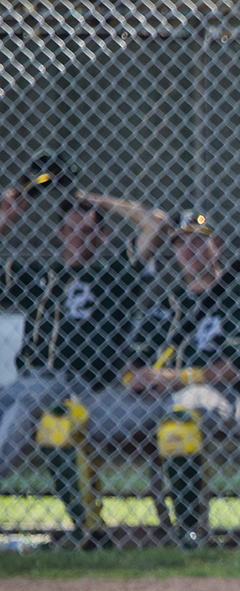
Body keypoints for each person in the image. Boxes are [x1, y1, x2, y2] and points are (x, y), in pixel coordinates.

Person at [0, 179, 155, 549]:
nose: (78, 238)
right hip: (24, 382)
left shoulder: (114, 276)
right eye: (71, 229)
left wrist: (95, 198)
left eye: (88, 231)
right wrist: (6, 217)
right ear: (58, 232)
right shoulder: (39, 276)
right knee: (20, 399)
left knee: (27, 404)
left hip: (75, 384)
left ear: (102, 236)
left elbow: (155, 224)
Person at [114, 204, 240, 548]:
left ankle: (190, 532)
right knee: (65, 418)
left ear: (215, 246)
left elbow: (239, 366)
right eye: (180, 244)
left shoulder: (237, 300)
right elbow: (132, 362)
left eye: (198, 242)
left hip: (212, 398)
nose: (188, 251)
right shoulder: (167, 303)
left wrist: (177, 377)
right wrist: (136, 379)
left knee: (180, 417)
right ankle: (90, 534)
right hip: (151, 398)